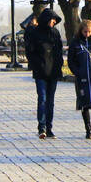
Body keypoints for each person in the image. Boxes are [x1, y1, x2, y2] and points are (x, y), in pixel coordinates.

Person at [23, 8, 64, 139]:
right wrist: (36, 64)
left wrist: (59, 65)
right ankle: (42, 127)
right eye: (52, 20)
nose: (53, 22)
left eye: (54, 20)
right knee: (42, 99)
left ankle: (49, 127)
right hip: (40, 71)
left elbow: (59, 51)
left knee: (50, 101)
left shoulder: (55, 33)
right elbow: (30, 51)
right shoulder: (36, 33)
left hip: (53, 71)